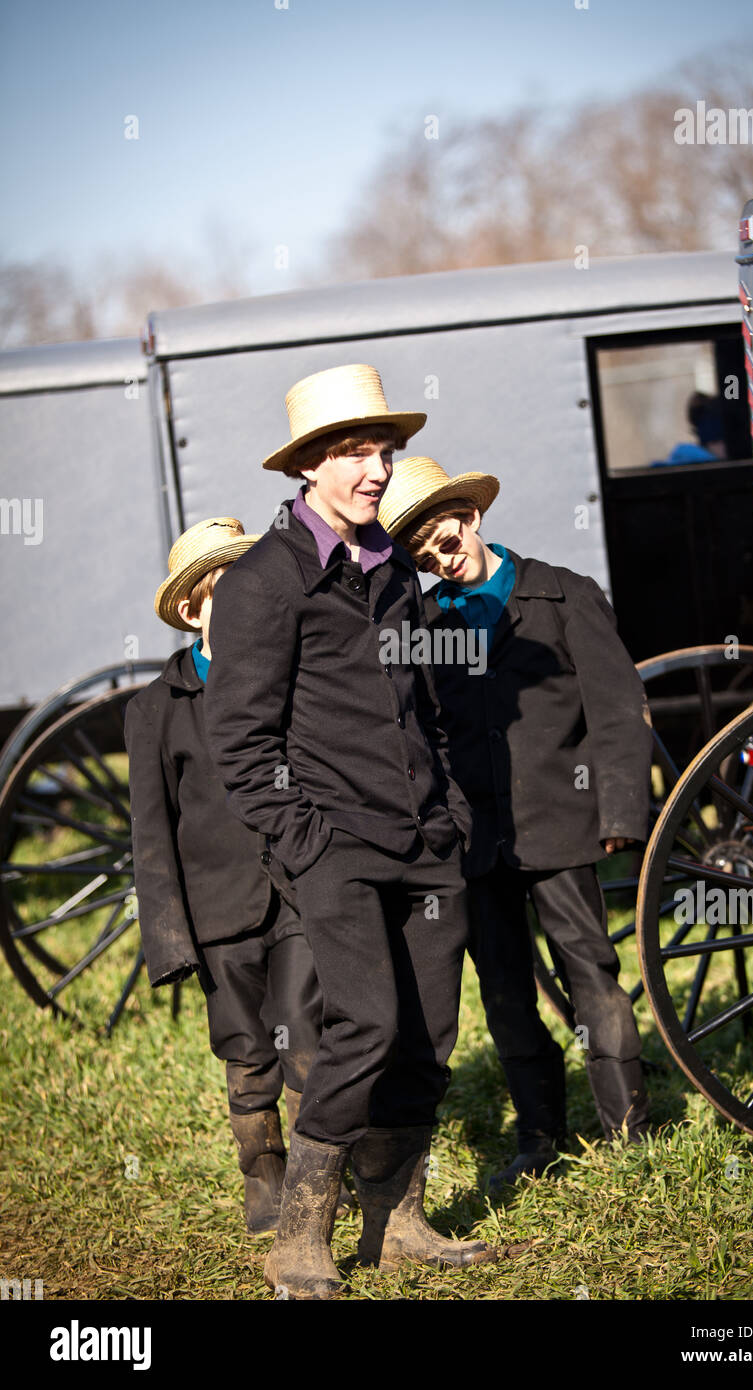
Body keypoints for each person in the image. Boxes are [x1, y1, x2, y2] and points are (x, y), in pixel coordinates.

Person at [204, 365, 493, 1299]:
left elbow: (428, 709)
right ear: (314, 466)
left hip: (426, 841)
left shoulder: (397, 573)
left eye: (385, 452)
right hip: (334, 846)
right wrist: (307, 844)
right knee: (363, 1027)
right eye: (359, 454)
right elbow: (240, 741)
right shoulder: (264, 581)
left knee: (429, 1035)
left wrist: (449, 811)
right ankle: (298, 1236)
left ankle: (399, 1221)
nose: (378, 471)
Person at [379, 457, 654, 1190]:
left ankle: (629, 1131)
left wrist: (620, 810)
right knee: (503, 991)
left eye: (447, 538)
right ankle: (540, 1139)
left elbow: (619, 711)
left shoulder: (562, 595)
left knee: (591, 972)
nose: (443, 559)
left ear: (472, 519)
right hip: (475, 845)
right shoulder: (426, 625)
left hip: (562, 828)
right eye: (424, 555)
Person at [125, 517, 325, 1236]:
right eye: (228, 596)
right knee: (245, 1045)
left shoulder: (290, 681)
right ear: (192, 611)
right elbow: (152, 834)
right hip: (217, 915)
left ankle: (312, 1181)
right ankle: (263, 1177)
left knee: (304, 1029)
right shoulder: (156, 709)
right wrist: (171, 939)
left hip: (297, 891)